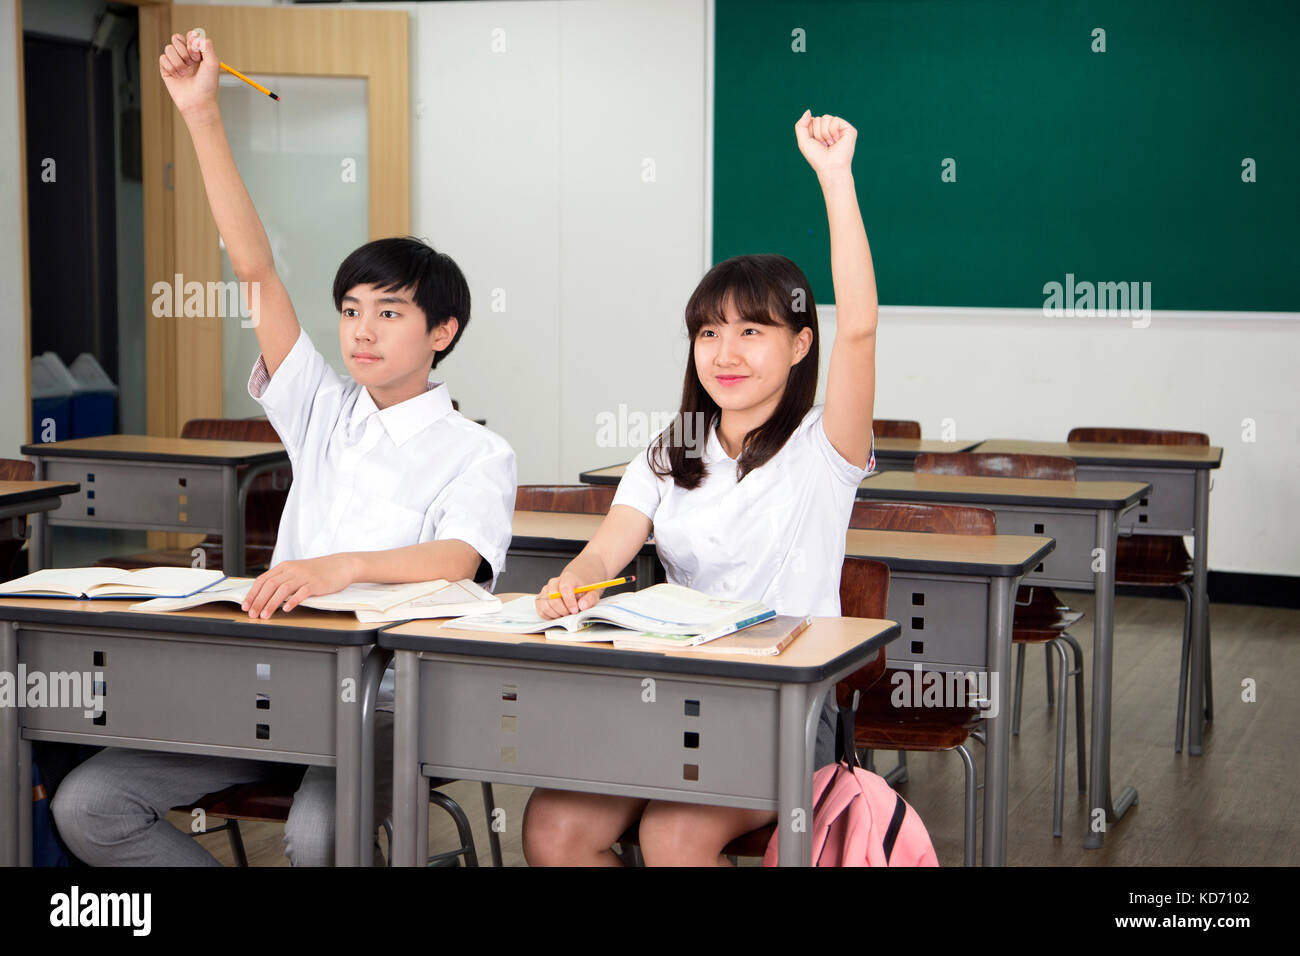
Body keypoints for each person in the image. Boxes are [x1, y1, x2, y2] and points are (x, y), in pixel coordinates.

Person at [51, 30, 516, 866]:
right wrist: (200, 116)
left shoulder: (478, 452)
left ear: (443, 331)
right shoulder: (323, 409)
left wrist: (335, 568)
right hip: (272, 687)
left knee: (315, 833)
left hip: (387, 705)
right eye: (350, 310)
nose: (361, 330)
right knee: (91, 802)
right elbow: (257, 271)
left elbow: (458, 559)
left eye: (389, 312)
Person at [521, 109, 879, 866]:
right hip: (668, 693)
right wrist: (572, 585)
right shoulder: (671, 448)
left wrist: (835, 178)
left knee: (674, 835)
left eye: (752, 331)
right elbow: (604, 553)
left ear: (799, 342)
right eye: (709, 332)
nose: (726, 352)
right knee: (553, 829)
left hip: (784, 703)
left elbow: (861, 329)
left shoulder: (825, 447)